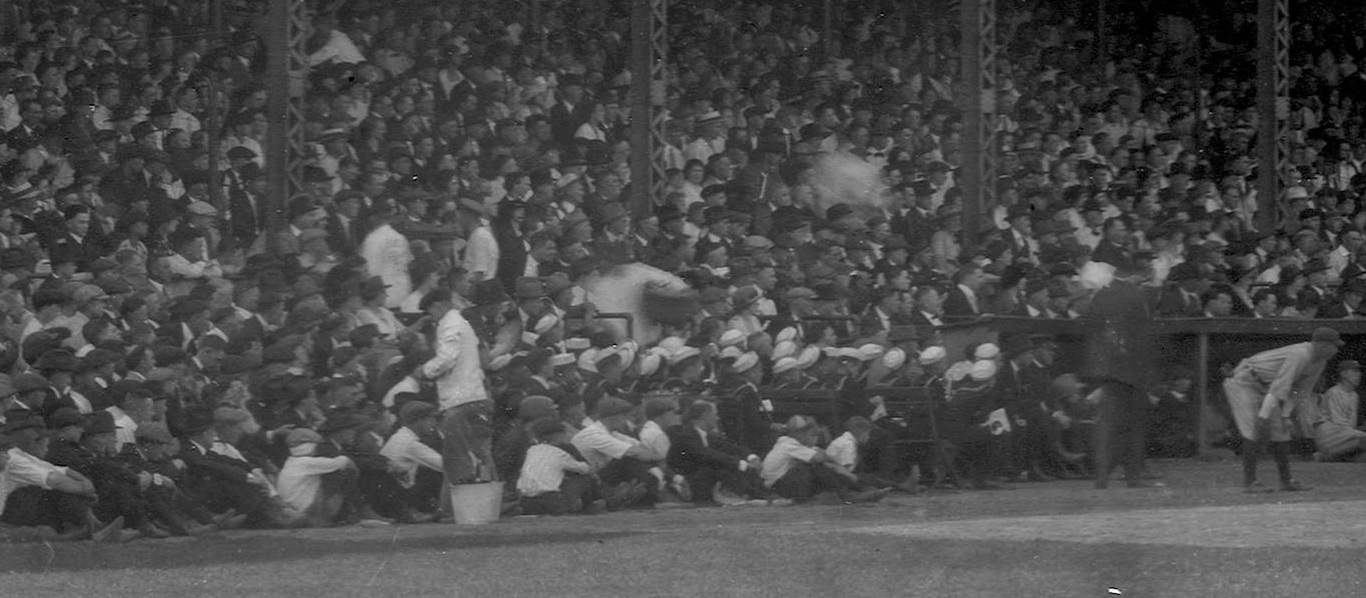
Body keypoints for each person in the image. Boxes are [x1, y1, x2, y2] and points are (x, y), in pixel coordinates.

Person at [1224, 327, 1342, 493]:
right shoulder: (1301, 354)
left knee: (1281, 431)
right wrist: (1263, 416)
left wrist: (1286, 415)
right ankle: (1250, 482)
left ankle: (1286, 481)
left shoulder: (1320, 361)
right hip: (1244, 380)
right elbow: (1280, 386)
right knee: (1253, 429)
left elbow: (1299, 391)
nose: (1336, 349)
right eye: (1334, 345)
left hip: (1267, 388)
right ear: (1322, 345)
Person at [1082, 259, 1162, 489]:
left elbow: (1093, 329)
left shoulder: (1101, 295)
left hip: (1104, 368)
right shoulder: (1137, 296)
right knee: (1134, 424)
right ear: (1135, 275)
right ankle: (1132, 475)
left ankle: (1102, 475)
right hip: (1131, 368)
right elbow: (1143, 335)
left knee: (1107, 424)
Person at [418, 294, 495, 485]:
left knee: (456, 458)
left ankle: (459, 506)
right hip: (475, 395)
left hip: (459, 400)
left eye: (431, 312)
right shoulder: (462, 322)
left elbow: (447, 358)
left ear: (437, 305)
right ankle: (492, 499)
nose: (432, 317)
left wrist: (425, 371)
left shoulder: (449, 324)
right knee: (480, 452)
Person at [760, 415, 888, 504]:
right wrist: (839, 469)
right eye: (810, 434)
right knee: (817, 466)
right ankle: (849, 495)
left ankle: (854, 491)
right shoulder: (790, 444)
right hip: (780, 487)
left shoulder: (788, 442)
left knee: (822, 467)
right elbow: (821, 457)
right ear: (798, 434)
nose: (813, 438)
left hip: (780, 485)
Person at [516, 418, 600, 515]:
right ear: (557, 435)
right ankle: (588, 507)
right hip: (552, 502)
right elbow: (585, 469)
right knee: (584, 477)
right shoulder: (560, 454)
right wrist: (593, 467)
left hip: (526, 502)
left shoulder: (531, 451)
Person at [276, 427, 357, 527]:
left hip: (291, 507)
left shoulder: (290, 462)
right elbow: (341, 462)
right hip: (304, 510)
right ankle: (323, 519)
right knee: (340, 477)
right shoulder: (307, 463)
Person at [1312, 360, 1366, 462]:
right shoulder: (1334, 392)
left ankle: (1329, 457)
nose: (1359, 374)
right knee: (1363, 440)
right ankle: (1324, 456)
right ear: (1343, 374)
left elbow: (1350, 425)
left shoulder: (1354, 395)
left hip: (1345, 437)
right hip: (1329, 435)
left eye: (1359, 371)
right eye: (1355, 371)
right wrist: (1361, 433)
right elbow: (1339, 423)